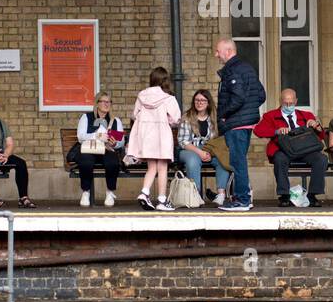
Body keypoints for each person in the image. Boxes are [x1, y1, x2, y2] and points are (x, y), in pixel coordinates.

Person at [215, 37, 265, 212]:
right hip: (245, 123)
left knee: (237, 163)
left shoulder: (233, 70)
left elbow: (238, 97)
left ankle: (242, 200)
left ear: (228, 51)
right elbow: (261, 95)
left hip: (235, 124)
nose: (216, 54)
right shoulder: (247, 68)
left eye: (218, 51)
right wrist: (248, 112)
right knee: (239, 161)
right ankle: (243, 198)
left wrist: (224, 115)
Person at [254, 88, 327, 207]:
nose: (288, 105)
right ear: (280, 101)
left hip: (305, 150)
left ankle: (312, 195)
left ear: (296, 101)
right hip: (284, 150)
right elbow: (258, 130)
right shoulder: (271, 115)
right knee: (279, 159)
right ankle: (284, 196)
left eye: (291, 103)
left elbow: (322, 135)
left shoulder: (306, 115)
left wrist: (316, 126)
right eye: (285, 103)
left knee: (321, 159)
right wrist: (276, 131)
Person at [127, 67, 184, 211]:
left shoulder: (141, 95)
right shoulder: (168, 98)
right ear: (166, 80)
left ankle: (145, 192)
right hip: (162, 135)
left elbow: (134, 115)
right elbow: (176, 119)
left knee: (151, 167)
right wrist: (169, 121)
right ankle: (162, 200)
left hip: (146, 136)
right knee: (162, 167)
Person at [178, 89, 232, 206]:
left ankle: (221, 194)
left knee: (222, 158)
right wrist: (200, 152)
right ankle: (195, 195)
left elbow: (218, 139)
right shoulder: (187, 117)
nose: (199, 102)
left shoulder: (214, 117)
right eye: (197, 100)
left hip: (210, 149)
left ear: (208, 103)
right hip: (189, 149)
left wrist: (209, 152)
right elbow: (183, 141)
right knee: (193, 160)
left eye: (203, 100)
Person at [74, 92, 125, 208]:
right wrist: (96, 136)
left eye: (108, 102)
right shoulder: (86, 117)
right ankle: (86, 192)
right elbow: (80, 137)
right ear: (97, 103)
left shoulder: (115, 120)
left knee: (112, 162)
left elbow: (121, 142)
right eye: (103, 101)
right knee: (86, 161)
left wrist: (115, 143)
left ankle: (110, 192)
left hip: (107, 149)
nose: (106, 104)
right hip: (90, 148)